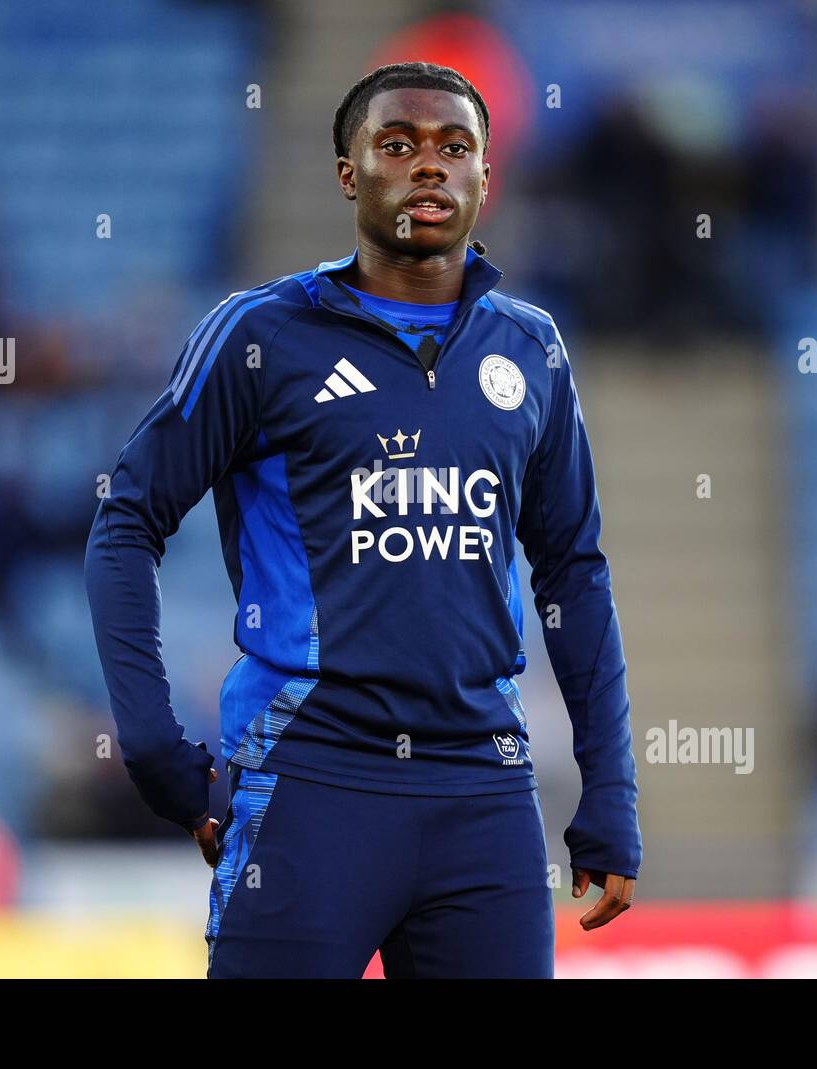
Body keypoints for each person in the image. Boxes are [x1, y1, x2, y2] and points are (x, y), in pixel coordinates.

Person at [84, 61, 641, 979]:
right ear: (350, 173)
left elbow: (574, 572)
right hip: (311, 776)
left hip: (484, 789)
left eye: (454, 148)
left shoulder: (531, 348)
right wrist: (152, 745)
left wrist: (610, 790)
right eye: (398, 145)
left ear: (485, 179)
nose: (430, 167)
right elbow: (127, 520)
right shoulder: (260, 336)